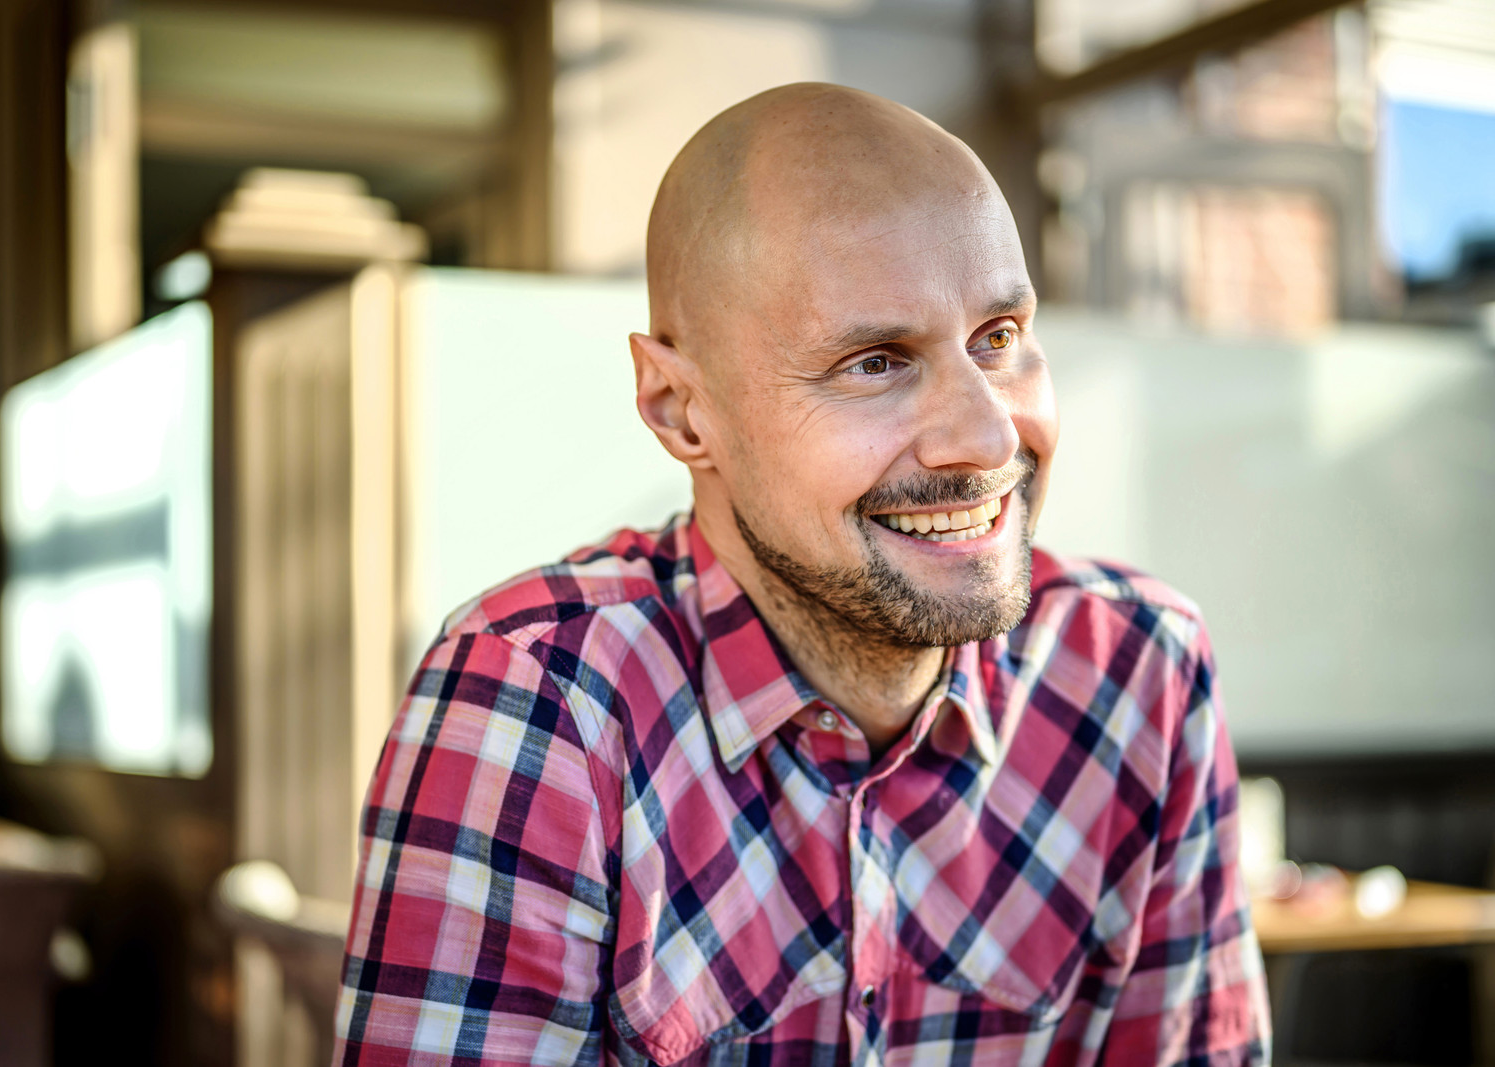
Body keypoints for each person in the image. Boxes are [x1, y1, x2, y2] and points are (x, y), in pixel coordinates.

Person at [333, 84, 1269, 1065]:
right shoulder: (540, 700)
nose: (989, 434)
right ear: (678, 409)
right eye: (874, 361)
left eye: (998, 339)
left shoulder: (1135, 675)